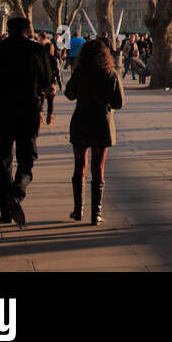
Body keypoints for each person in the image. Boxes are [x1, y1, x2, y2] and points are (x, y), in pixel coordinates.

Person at [0, 17, 53, 227]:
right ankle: (18, 192)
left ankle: (5, 211)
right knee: (27, 157)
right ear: (28, 30)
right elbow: (47, 83)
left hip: (0, 112)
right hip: (27, 111)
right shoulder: (38, 51)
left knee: (4, 160)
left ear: (8, 30)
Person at [64, 40, 124, 225]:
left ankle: (77, 210)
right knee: (98, 168)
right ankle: (96, 214)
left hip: (81, 121)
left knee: (79, 166)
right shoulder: (111, 74)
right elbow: (119, 103)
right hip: (101, 123)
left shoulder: (79, 72)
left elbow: (69, 94)